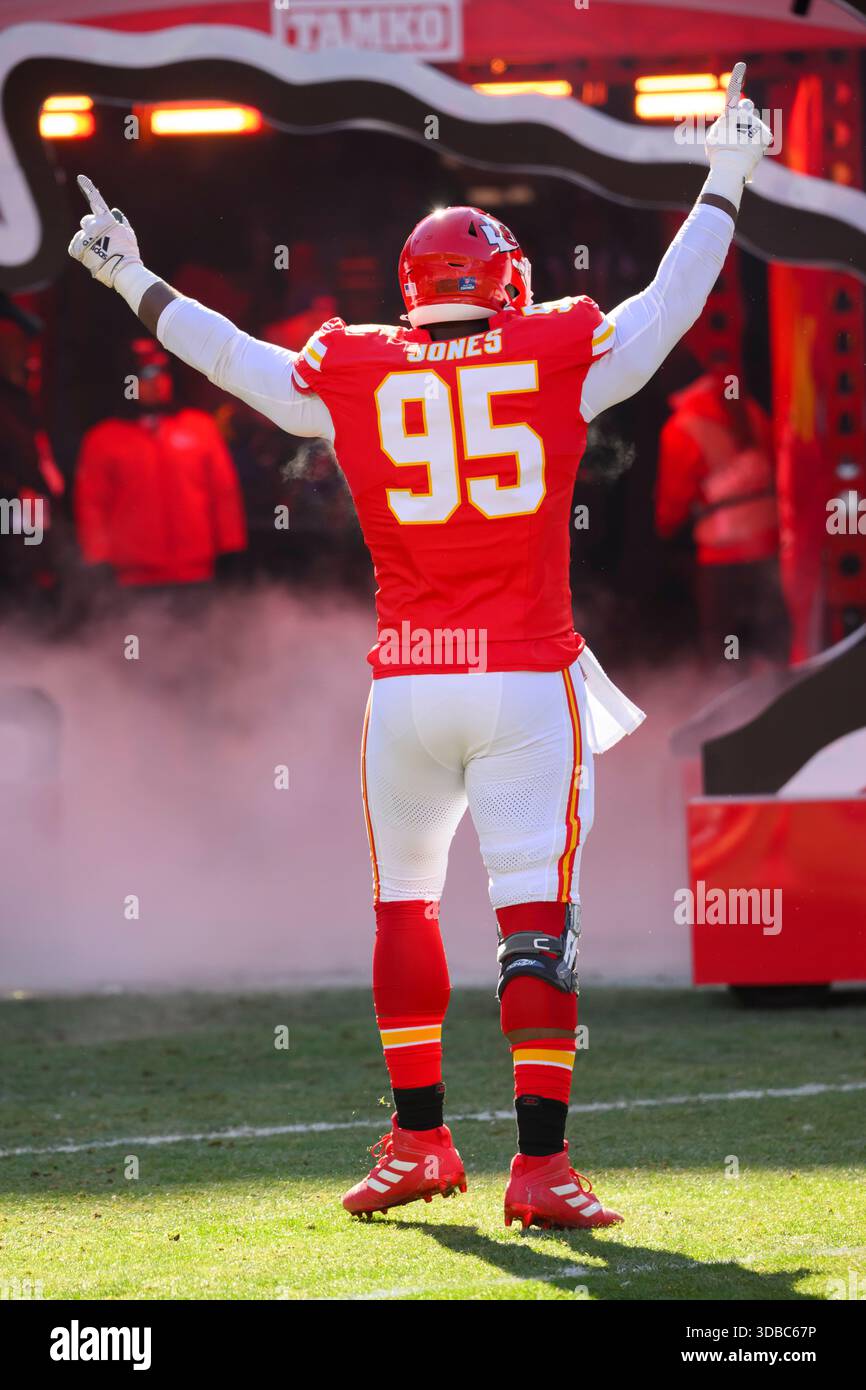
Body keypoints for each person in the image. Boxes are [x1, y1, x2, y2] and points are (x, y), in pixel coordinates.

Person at [67, 66, 771, 1231]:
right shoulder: (549, 350)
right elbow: (667, 306)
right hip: (523, 683)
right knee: (531, 925)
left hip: (403, 688)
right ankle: (536, 1166)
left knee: (403, 911)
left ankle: (415, 1141)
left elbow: (237, 359)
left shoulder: (355, 364)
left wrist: (131, 277)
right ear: (505, 282)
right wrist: (725, 175)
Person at [74, 338, 247, 596]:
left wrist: (231, 547)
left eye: (163, 372)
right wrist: (98, 559)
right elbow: (92, 505)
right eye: (145, 375)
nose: (156, 382)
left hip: (196, 571)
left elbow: (224, 493)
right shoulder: (103, 438)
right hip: (133, 577)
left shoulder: (200, 428)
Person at [655, 359, 788, 664]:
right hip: (770, 546)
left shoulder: (680, 427)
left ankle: (732, 707)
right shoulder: (750, 410)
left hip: (721, 556)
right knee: (772, 640)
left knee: (723, 651)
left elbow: (672, 502)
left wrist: (664, 530)